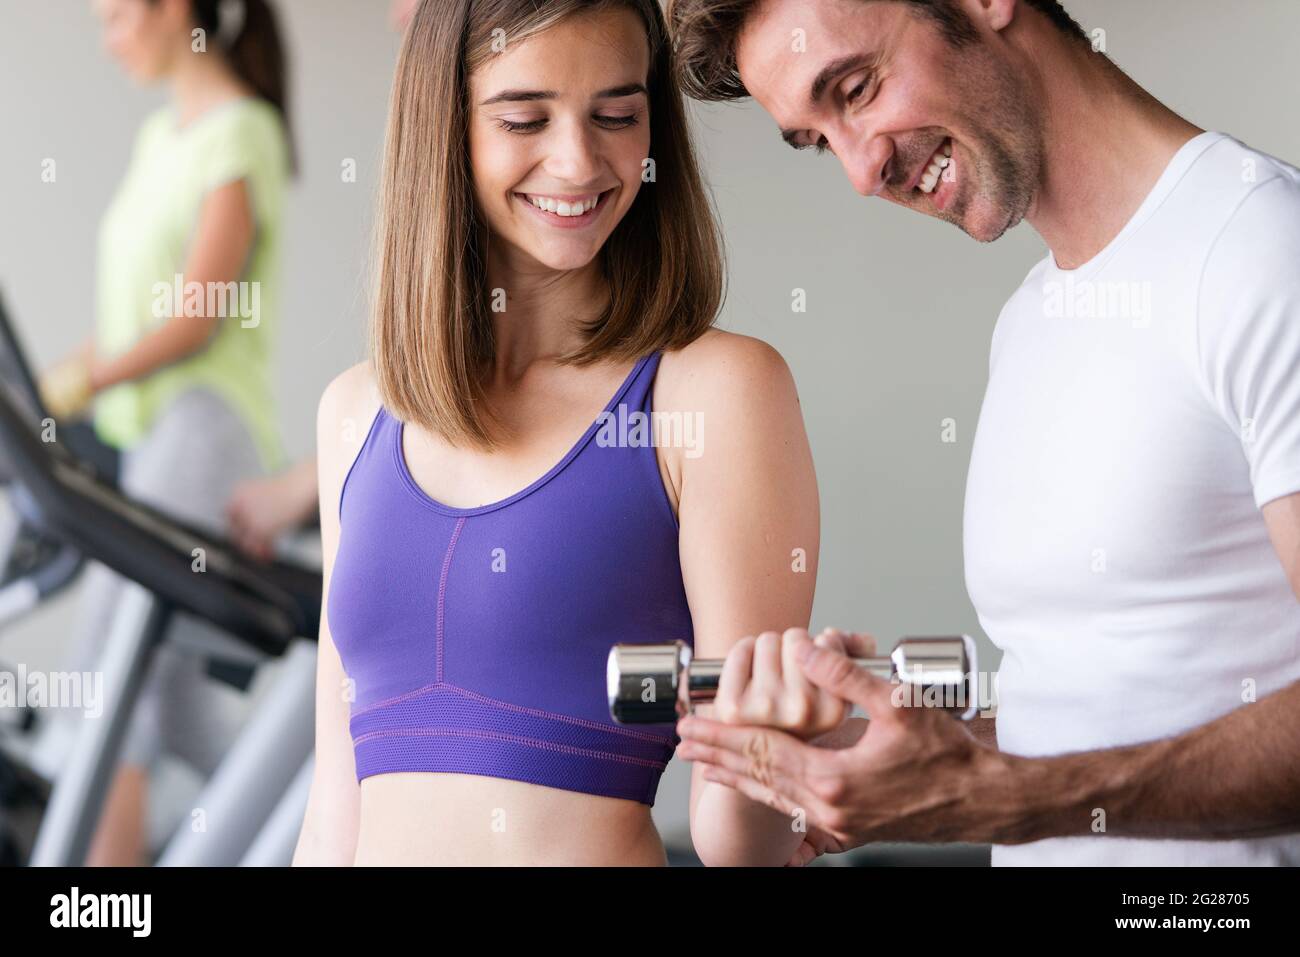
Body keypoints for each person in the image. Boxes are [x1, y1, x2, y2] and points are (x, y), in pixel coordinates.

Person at [668, 0, 1300, 866]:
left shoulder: (1264, 250)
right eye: (820, 141)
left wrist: (1006, 799)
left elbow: (1045, 792)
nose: (860, 171)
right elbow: (1091, 712)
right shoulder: (1030, 321)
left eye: (855, 88)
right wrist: (883, 767)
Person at [293, 0, 850, 867]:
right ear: (443, 129)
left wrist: (773, 748)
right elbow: (334, 813)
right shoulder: (356, 412)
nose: (579, 160)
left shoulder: (714, 393)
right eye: (526, 117)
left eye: (618, 116)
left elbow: (744, 842)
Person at [40, 0, 294, 865]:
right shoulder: (163, 138)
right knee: (175, 702)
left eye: (116, 17)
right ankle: (338, 821)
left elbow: (196, 316)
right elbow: (129, 319)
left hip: (202, 432)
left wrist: (88, 378)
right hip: (150, 435)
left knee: (113, 677)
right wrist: (49, 384)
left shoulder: (241, 133)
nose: (107, 39)